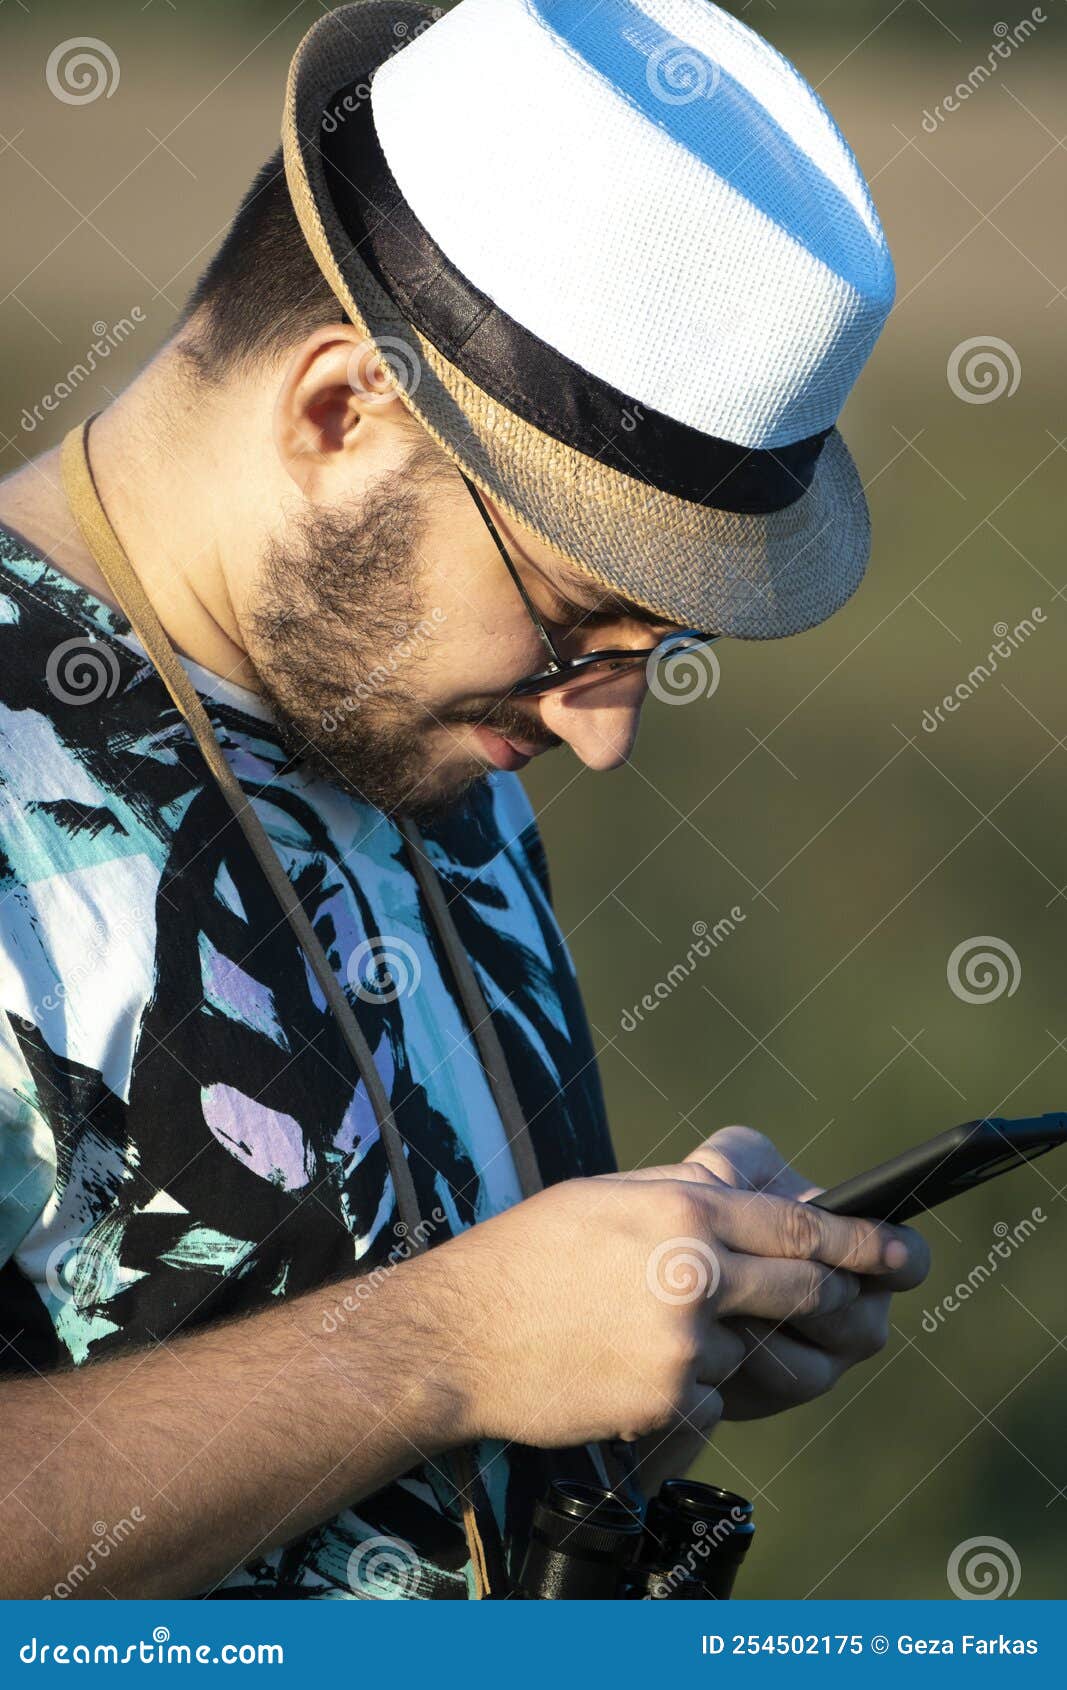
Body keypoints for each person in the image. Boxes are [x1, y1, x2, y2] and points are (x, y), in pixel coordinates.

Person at [0, 0, 929, 1599]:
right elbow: (425, 1355)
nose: (606, 734)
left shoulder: (405, 717)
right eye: (575, 623)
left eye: (656, 647)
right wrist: (444, 1343)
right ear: (341, 413)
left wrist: (645, 1345)